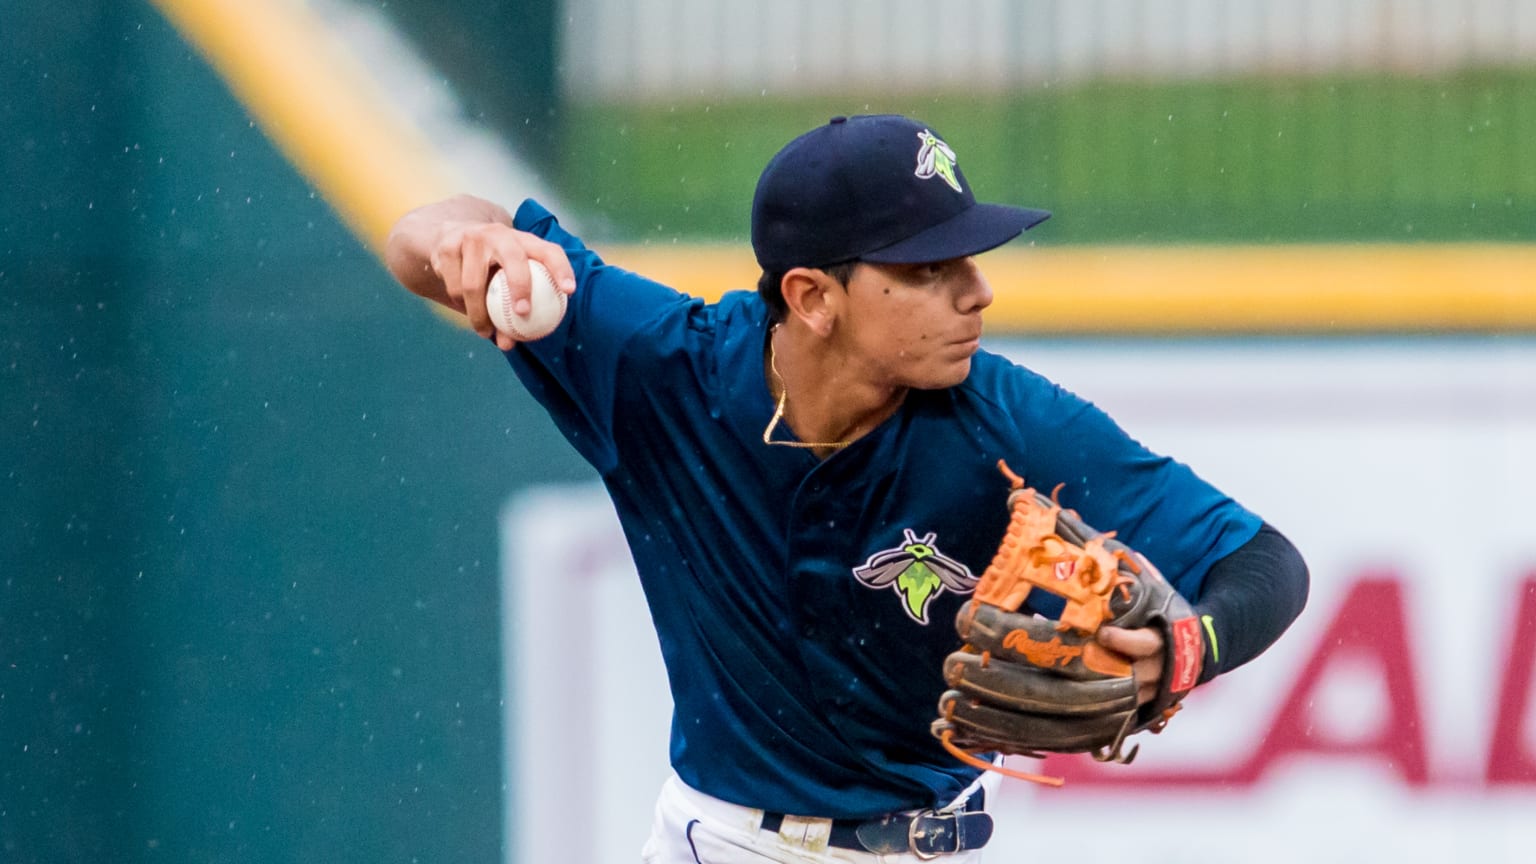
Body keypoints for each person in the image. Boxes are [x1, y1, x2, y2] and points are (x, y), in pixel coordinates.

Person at [385, 114, 1309, 862]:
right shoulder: (668, 373)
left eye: (971, 258)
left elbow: (1264, 562)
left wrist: (1189, 646)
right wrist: (468, 237)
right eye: (927, 270)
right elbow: (415, 237)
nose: (977, 291)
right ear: (814, 298)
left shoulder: (1006, 420)